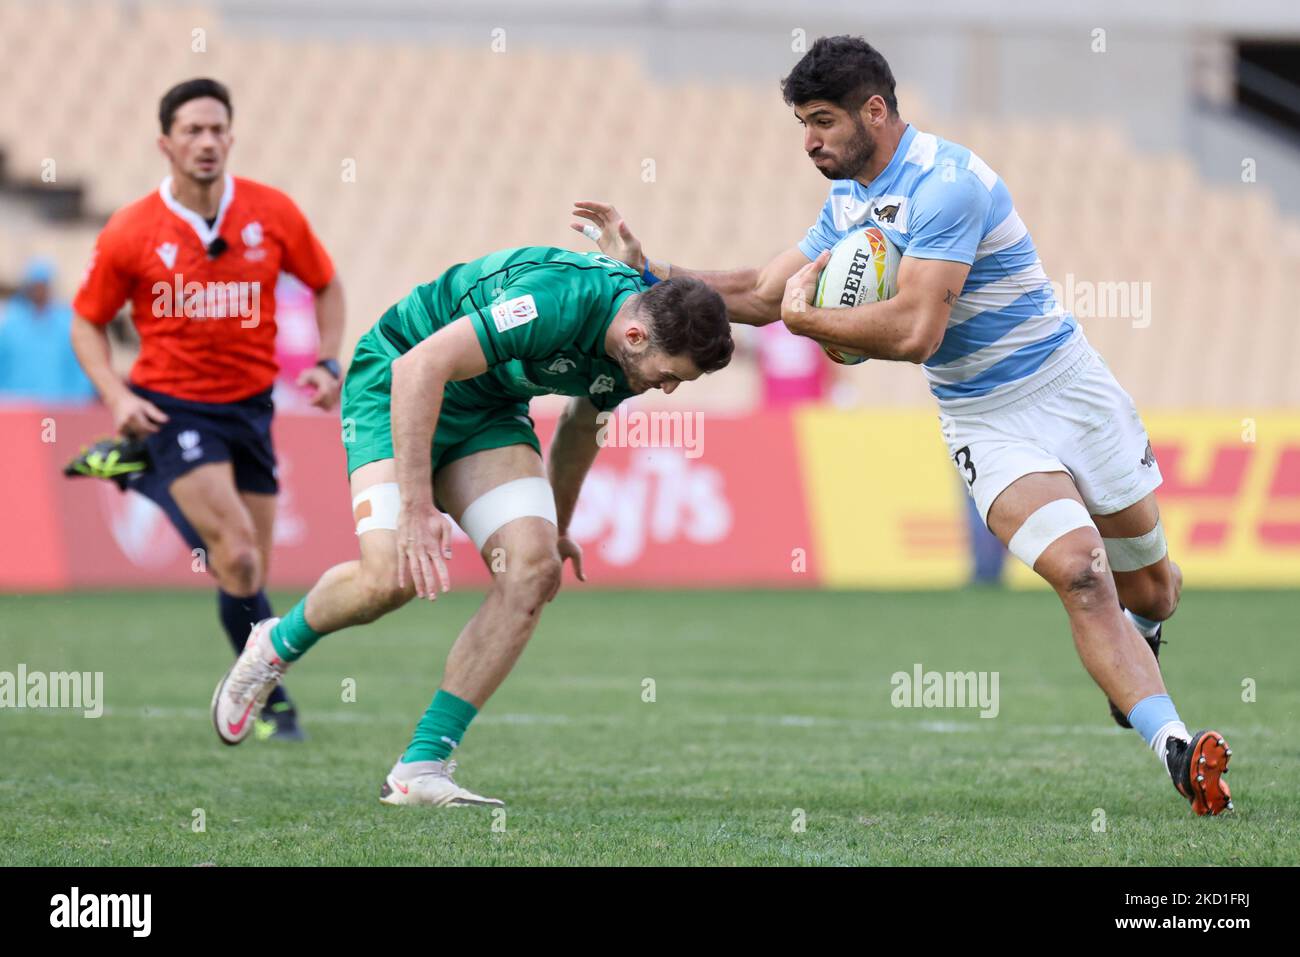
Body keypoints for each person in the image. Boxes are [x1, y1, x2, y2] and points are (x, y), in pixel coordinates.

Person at [570, 36, 1231, 817]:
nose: (809, 141)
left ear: (874, 111)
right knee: (1082, 574)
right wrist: (654, 272)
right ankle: (1179, 751)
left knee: (1153, 585)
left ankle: (1143, 635)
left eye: (821, 121)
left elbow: (914, 330)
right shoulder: (848, 199)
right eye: (802, 124)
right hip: (985, 418)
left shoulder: (949, 185)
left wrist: (810, 321)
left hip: (1070, 389)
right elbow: (760, 290)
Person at [210, 245, 732, 806]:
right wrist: (415, 507)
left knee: (533, 571)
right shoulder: (555, 300)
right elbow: (421, 367)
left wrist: (555, 527)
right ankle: (273, 645)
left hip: (487, 409)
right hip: (396, 378)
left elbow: (583, 424)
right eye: (671, 375)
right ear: (635, 338)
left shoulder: (638, 345)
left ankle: (421, 766)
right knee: (389, 580)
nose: (669, 388)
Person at [70, 78, 345, 741]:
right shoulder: (132, 229)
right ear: (165, 143)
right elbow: (87, 323)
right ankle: (272, 705)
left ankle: (139, 475)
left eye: (217, 128)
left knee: (240, 572)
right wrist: (117, 393)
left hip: (252, 412)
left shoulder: (271, 212)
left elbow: (327, 284)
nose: (207, 141)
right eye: (192, 130)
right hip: (174, 409)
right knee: (241, 557)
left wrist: (329, 361)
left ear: (232, 137)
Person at [0, 258, 96, 405]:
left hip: (60, 409)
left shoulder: (67, 323)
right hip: (16, 407)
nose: (39, 290)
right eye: (35, 285)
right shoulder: (10, 323)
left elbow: (81, 365)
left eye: (43, 285)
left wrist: (79, 401)